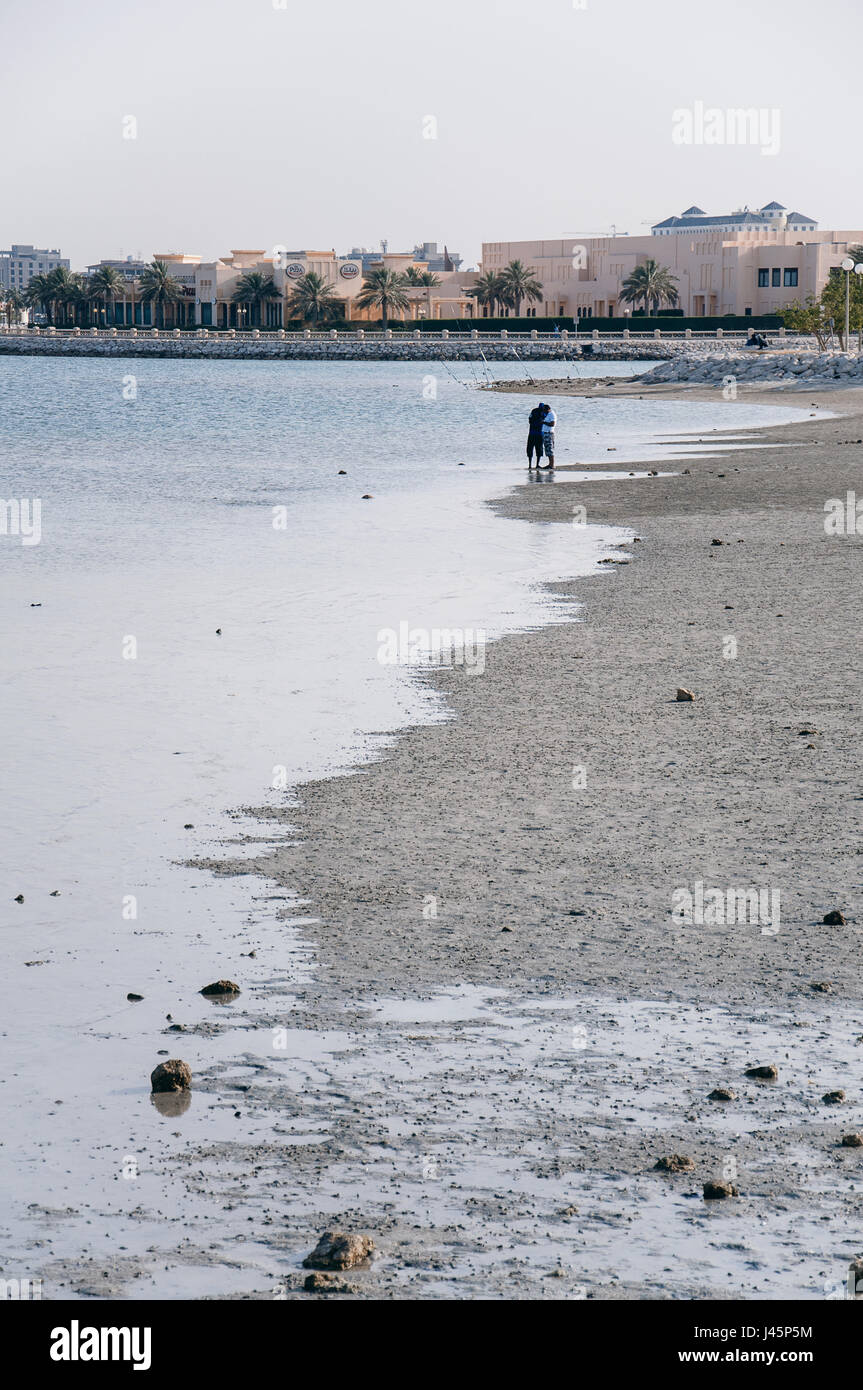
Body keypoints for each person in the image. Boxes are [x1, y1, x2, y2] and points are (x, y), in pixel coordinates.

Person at [526, 403, 547, 468]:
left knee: (530, 448)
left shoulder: (534, 411)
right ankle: (537, 464)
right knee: (539, 449)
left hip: (532, 433)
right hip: (539, 434)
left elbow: (529, 420)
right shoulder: (544, 413)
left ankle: (530, 465)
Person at [540, 403, 556, 468]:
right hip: (546, 433)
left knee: (550, 449)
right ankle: (550, 464)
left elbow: (552, 424)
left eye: (544, 410)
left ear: (548, 409)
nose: (544, 412)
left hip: (549, 433)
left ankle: (552, 465)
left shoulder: (552, 414)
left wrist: (544, 422)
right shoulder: (549, 414)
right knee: (547, 449)